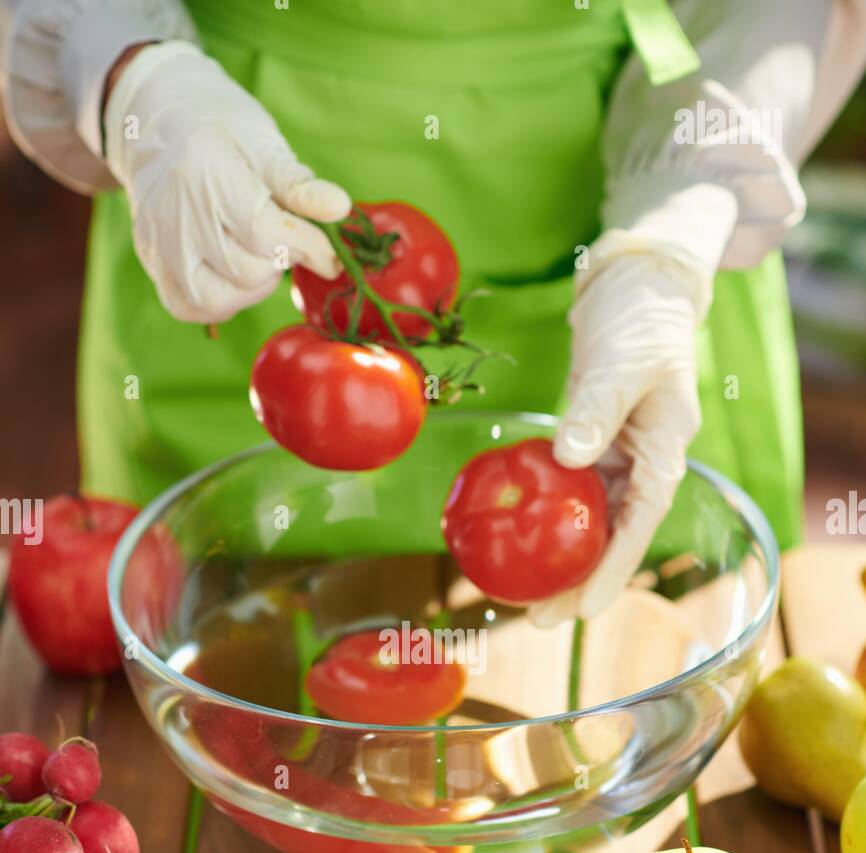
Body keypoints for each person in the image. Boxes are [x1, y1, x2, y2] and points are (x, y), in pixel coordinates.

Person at [2, 0, 865, 622]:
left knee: (658, 641)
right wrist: (128, 73)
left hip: (633, 156)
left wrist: (673, 228)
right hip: (208, 164)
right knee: (209, 645)